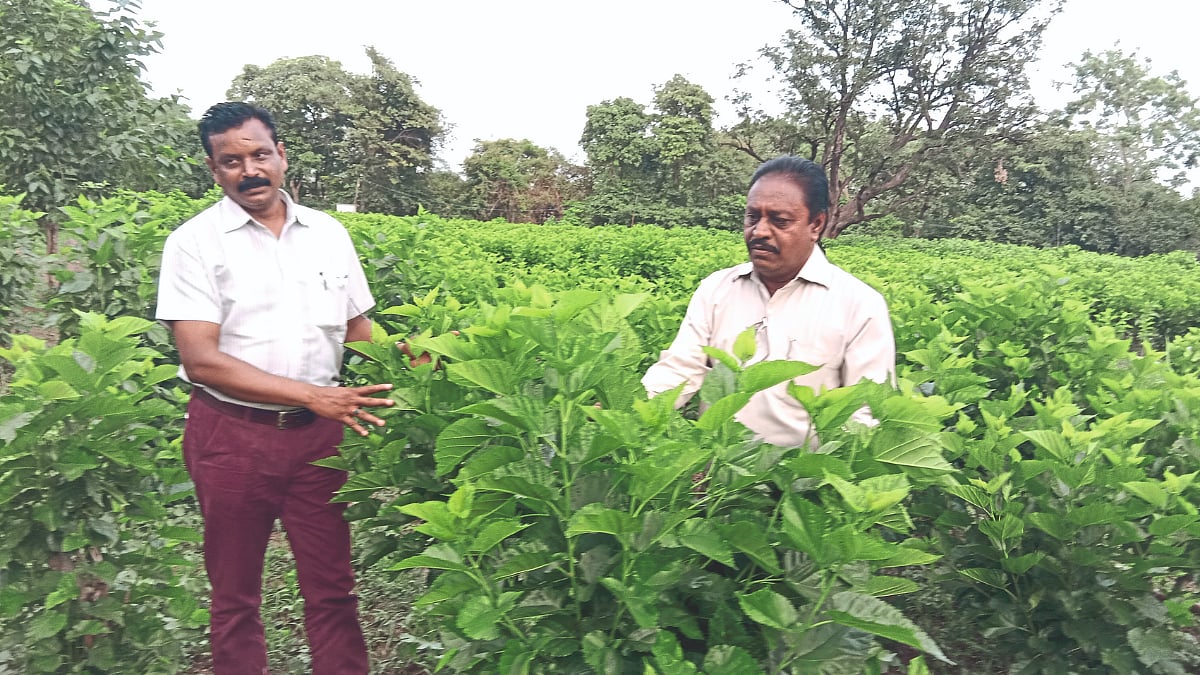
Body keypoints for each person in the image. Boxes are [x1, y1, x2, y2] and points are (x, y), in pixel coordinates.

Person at [156, 102, 393, 674]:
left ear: (281, 155)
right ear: (215, 171)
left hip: (322, 439)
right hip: (232, 437)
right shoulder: (194, 244)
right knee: (235, 597)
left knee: (333, 590)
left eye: (260, 154)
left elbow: (358, 331)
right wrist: (311, 394)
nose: (250, 170)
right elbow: (202, 360)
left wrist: (413, 355)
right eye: (231, 161)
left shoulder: (329, 234)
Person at [642, 156, 895, 448]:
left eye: (779, 220)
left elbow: (864, 411)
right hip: (716, 482)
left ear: (816, 224)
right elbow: (680, 370)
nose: (759, 231)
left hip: (802, 483)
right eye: (753, 217)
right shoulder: (717, 289)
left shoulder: (859, 305)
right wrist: (626, 414)